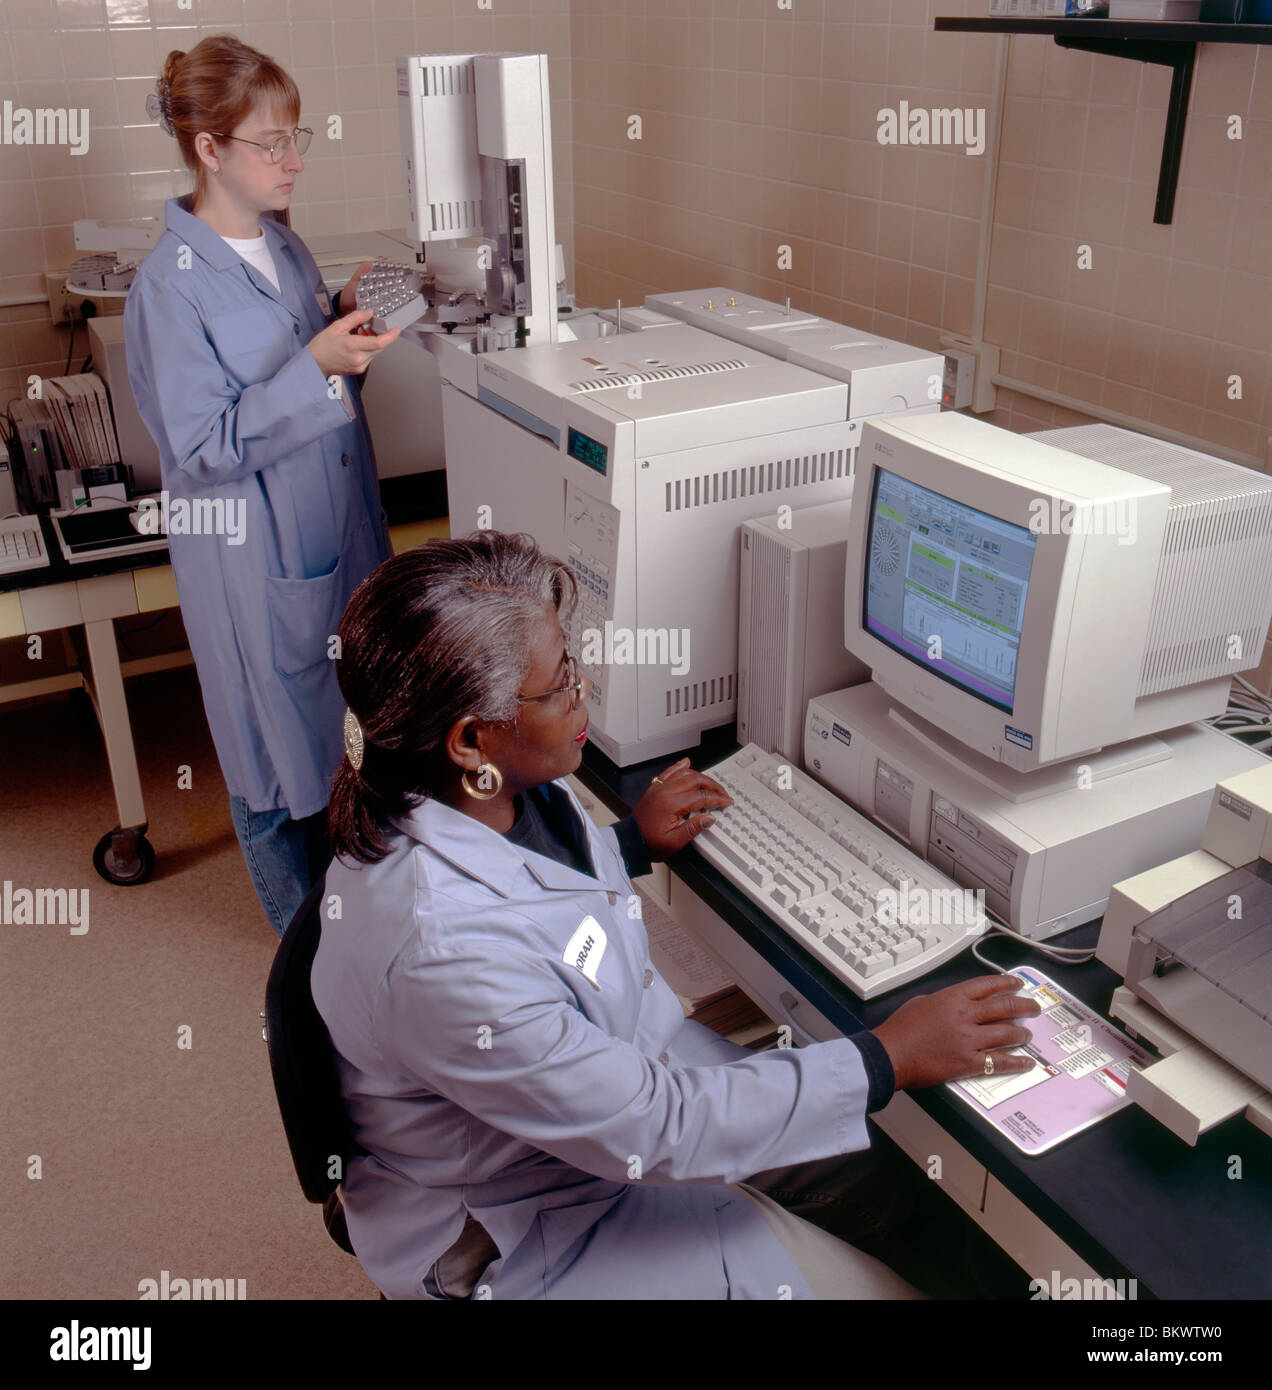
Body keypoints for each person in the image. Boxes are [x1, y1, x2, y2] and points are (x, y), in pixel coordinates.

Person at [311, 531, 1042, 1300]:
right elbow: (654, 1127)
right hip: (544, 1220)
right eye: (560, 683)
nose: (582, 690)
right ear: (471, 741)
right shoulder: (440, 952)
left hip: (619, 1085)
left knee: (879, 1164)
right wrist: (887, 1056)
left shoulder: (488, 792)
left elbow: (534, 888)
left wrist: (626, 841)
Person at [125, 35, 398, 934]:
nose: (294, 160)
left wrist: (339, 316)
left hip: (336, 537)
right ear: (209, 149)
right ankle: (304, 967)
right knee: (273, 763)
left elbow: (301, 363)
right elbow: (201, 443)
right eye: (270, 142)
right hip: (256, 563)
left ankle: (362, 941)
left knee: (350, 741)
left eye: (297, 136)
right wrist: (318, 361)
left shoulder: (284, 248)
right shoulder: (169, 288)